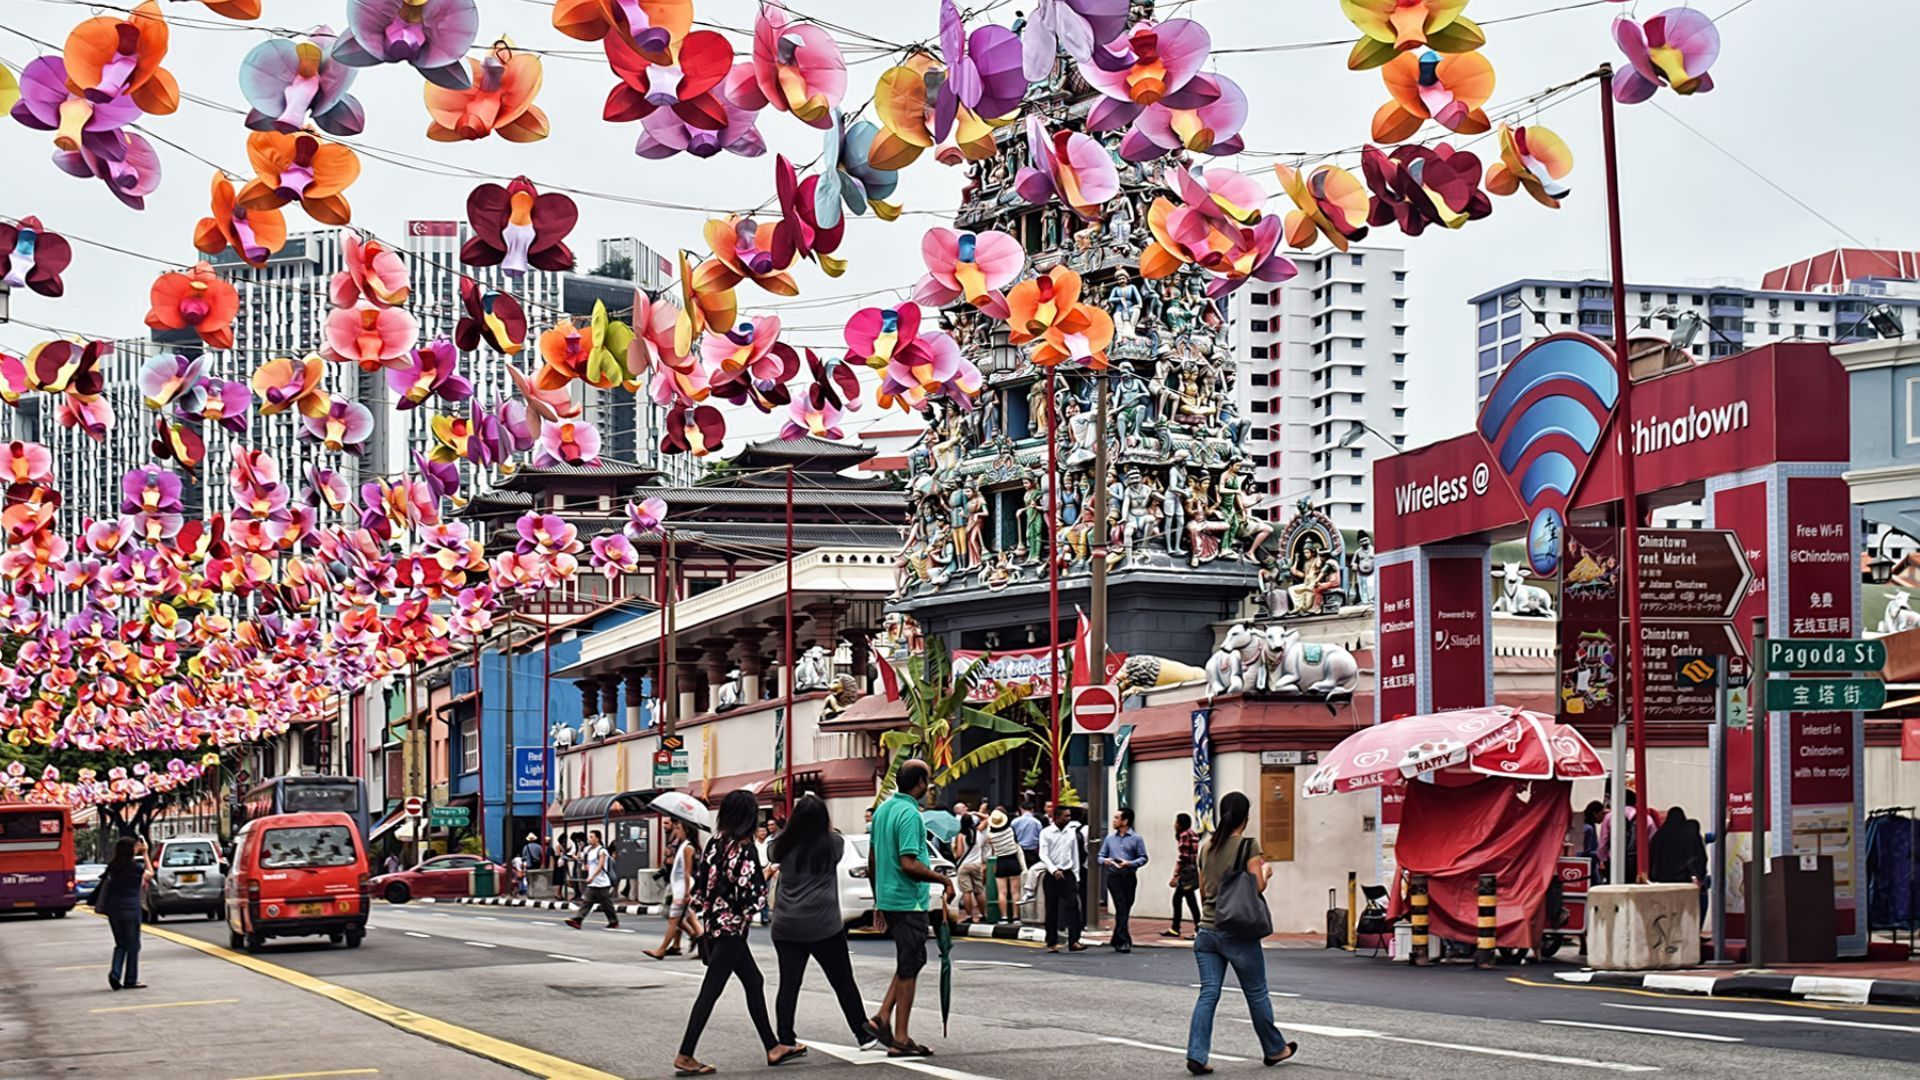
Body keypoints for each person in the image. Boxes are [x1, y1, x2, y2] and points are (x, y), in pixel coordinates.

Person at [673, 790, 801, 1075]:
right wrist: (764, 878)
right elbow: (750, 897)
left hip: (717, 925)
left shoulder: (716, 844)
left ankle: (773, 1046)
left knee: (754, 981)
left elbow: (702, 888)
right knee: (710, 990)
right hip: (732, 929)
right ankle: (685, 1054)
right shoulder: (744, 848)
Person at [1186, 792, 1296, 1074]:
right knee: (1257, 992)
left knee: (1208, 993)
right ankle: (1275, 1049)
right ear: (1246, 817)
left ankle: (1197, 1053)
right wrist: (1267, 870)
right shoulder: (1248, 845)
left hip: (1207, 932)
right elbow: (1256, 886)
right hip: (1237, 933)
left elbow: (1204, 889)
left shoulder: (1206, 847)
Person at [770, 794, 882, 1052]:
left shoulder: (781, 844)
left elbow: (772, 853)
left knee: (789, 983)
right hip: (824, 925)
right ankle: (862, 1034)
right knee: (843, 980)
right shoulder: (833, 844)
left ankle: (786, 1038)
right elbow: (834, 840)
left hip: (787, 925)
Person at [869, 759, 954, 1059]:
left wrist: (877, 899)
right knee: (910, 965)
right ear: (920, 782)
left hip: (891, 899)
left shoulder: (881, 811)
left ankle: (882, 1017)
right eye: (927, 780)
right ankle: (900, 1038)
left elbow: (872, 861)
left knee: (910, 961)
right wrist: (943, 879)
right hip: (908, 901)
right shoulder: (910, 815)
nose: (928, 785)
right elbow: (908, 863)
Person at [92, 836, 148, 991]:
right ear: (131, 850)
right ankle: (131, 979)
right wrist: (145, 853)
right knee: (134, 945)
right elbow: (150, 874)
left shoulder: (112, 867)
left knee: (120, 944)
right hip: (131, 909)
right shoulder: (136, 868)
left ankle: (115, 974)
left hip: (114, 909)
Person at [646, 817, 703, 960]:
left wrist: (687, 892)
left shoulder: (688, 847)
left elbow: (687, 872)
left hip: (682, 889)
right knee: (686, 919)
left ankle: (661, 950)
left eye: (679, 828)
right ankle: (705, 948)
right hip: (678, 887)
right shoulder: (683, 846)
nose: (676, 831)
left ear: (686, 830)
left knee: (674, 920)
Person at [1038, 805, 1087, 953]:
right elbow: (1043, 854)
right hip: (1052, 875)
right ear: (1057, 817)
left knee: (1073, 906)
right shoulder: (1046, 833)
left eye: (1069, 815)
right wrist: (1053, 870)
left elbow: (1074, 855)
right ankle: (1051, 942)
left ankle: (1074, 940)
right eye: (1065, 816)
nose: (1068, 818)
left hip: (1068, 873)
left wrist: (1076, 875)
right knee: (1051, 909)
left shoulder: (1071, 833)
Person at [1099, 808, 1148, 953]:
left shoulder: (1136, 839)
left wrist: (1129, 863)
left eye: (1116, 818)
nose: (1113, 820)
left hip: (1129, 876)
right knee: (1121, 906)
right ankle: (1123, 941)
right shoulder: (1109, 839)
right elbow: (1100, 856)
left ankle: (1117, 937)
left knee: (1126, 907)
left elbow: (1143, 857)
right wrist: (1106, 861)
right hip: (1114, 876)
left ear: (1125, 821)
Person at [1649, 806, 1709, 918]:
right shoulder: (1690, 832)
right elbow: (1697, 855)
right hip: (1687, 881)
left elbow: (1653, 860)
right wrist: (1696, 875)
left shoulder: (1659, 836)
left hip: (1663, 883)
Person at [565, 828, 619, 930]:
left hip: (602, 882)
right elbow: (585, 860)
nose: (589, 839)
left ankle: (614, 921)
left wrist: (592, 876)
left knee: (607, 904)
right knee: (587, 901)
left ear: (597, 839)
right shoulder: (588, 849)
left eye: (591, 837)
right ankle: (578, 920)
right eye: (589, 837)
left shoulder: (602, 850)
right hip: (593, 883)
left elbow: (600, 865)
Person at [984, 807, 1024, 923]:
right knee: (1015, 892)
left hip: (1000, 862)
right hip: (1013, 861)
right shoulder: (1010, 830)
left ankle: (1004, 917)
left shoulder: (991, 835)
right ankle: (1016, 917)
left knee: (1002, 892)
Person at [1166, 812, 1201, 939]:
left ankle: (1197, 928)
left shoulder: (1184, 836)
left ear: (1180, 824)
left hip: (1186, 873)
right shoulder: (1193, 834)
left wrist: (1176, 875)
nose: (1174, 825)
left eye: (1176, 822)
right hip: (1192, 870)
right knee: (1185, 899)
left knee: (1186, 900)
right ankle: (1177, 927)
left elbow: (1183, 857)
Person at [954, 806, 988, 923]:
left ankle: (969, 916)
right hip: (976, 865)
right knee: (979, 890)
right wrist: (975, 812)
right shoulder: (978, 832)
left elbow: (959, 853)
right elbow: (987, 819)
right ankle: (983, 914)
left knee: (967, 891)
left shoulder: (961, 836)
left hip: (964, 865)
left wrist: (954, 856)